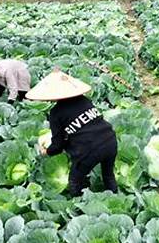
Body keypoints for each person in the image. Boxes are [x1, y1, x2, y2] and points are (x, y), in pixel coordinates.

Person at [26, 68, 118, 197]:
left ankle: (78, 204)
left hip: (89, 149)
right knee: (108, 175)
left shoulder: (56, 113)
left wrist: (47, 151)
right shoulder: (84, 100)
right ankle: (114, 196)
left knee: (75, 180)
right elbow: (85, 127)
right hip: (110, 141)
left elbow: (58, 145)